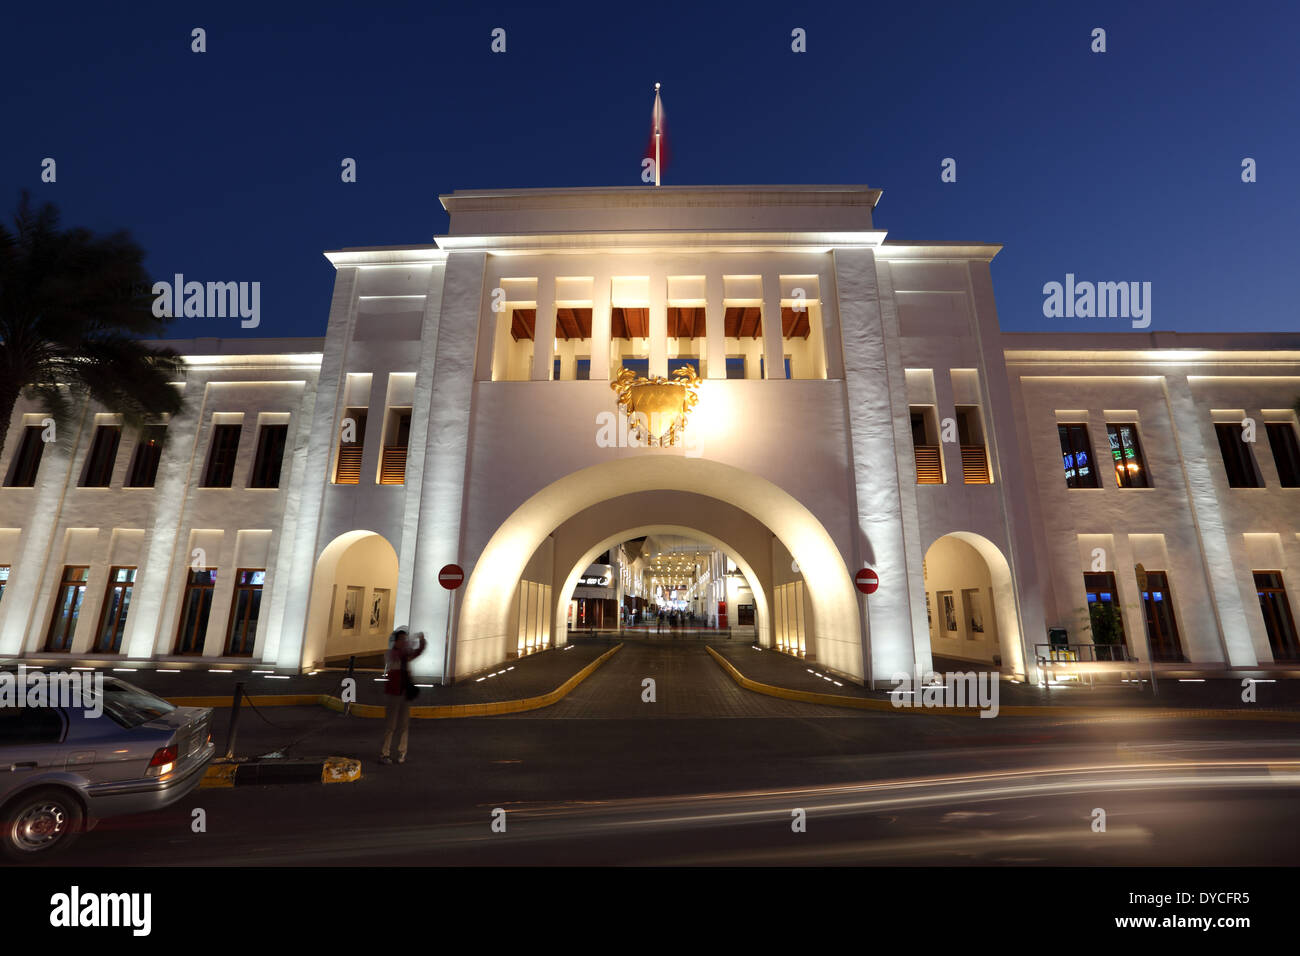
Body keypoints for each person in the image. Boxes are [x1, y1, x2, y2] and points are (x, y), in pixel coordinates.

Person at [380, 625, 427, 765]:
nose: (404, 642)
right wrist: (407, 650)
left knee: (404, 725)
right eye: (401, 640)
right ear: (395, 641)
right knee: (390, 726)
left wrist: (422, 641)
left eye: (405, 640)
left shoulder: (405, 655)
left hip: (405, 694)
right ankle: (385, 753)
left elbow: (418, 652)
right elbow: (396, 658)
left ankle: (402, 752)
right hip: (393, 694)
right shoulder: (391, 655)